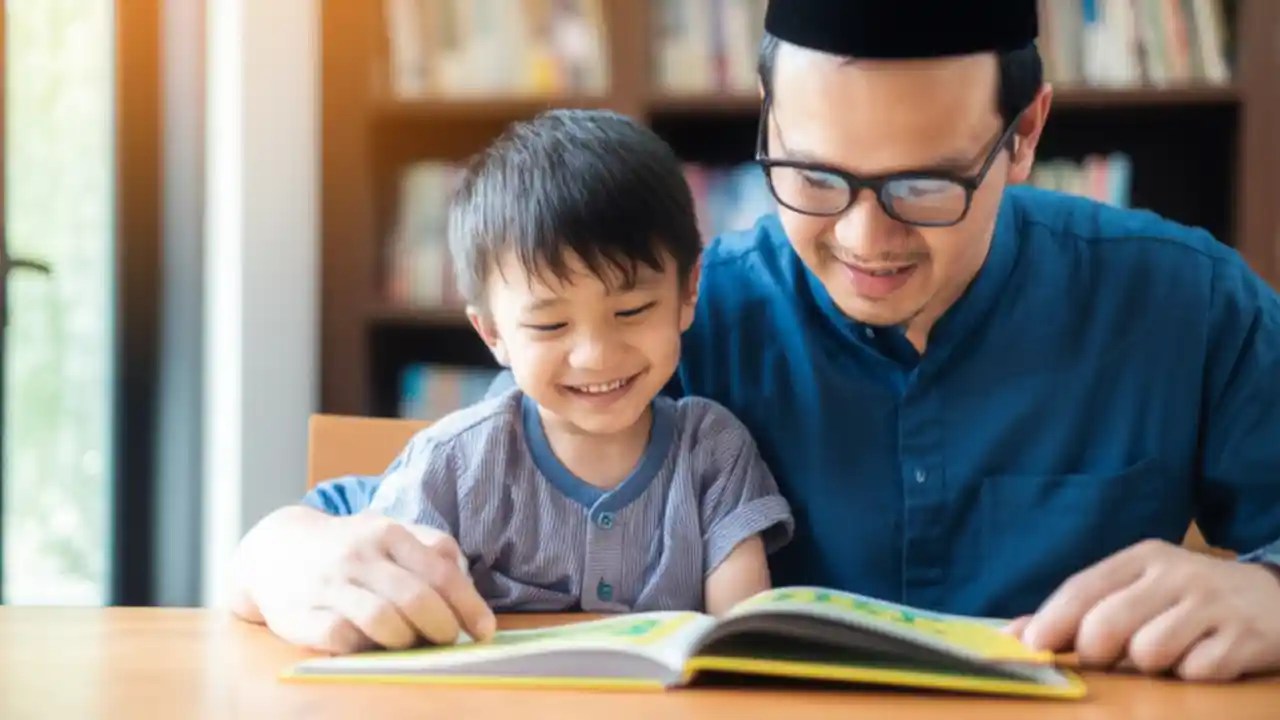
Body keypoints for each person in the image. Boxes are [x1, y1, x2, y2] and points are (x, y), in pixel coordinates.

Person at [230, 0, 1280, 681]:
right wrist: (285, 561)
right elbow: (316, 537)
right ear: (765, 122)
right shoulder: (659, 326)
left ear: (1025, 136)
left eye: (923, 185)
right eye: (813, 178)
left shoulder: (1181, 303)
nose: (865, 240)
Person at [367, 109, 794, 640]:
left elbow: (743, 642)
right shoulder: (452, 467)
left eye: (632, 311)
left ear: (688, 293)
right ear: (492, 333)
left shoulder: (713, 454)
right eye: (550, 324)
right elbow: (386, 626)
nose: (595, 355)